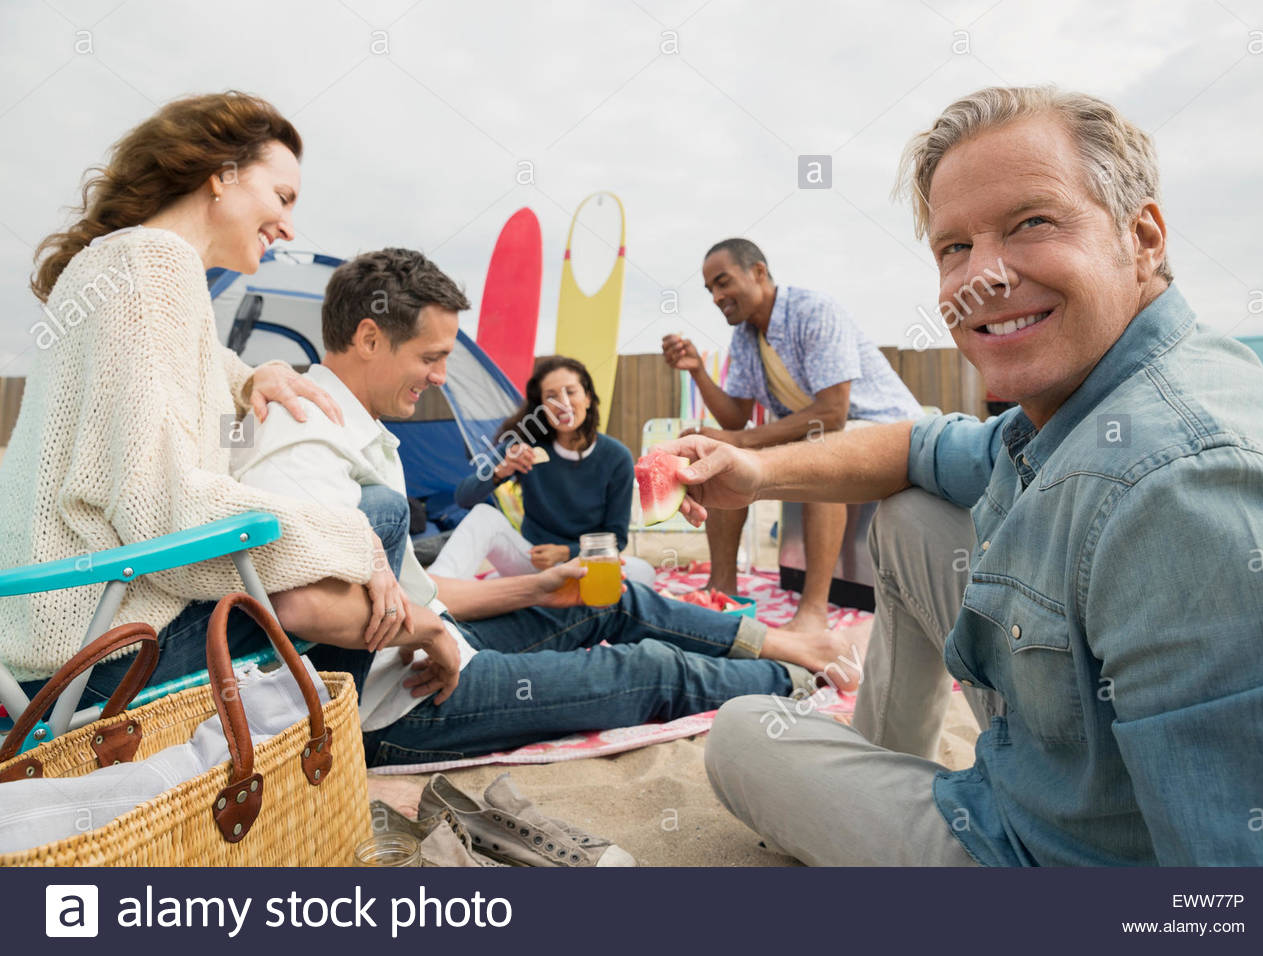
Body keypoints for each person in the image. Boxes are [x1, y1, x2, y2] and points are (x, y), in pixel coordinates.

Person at [664, 86, 1263, 865]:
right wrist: (752, 469)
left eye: (1032, 223)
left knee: (741, 736)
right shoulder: (1084, 402)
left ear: (1143, 236)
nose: (982, 279)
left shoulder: (1187, 495)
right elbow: (919, 447)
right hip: (1058, 756)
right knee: (910, 511)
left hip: (1039, 853)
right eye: (954, 248)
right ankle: (888, 749)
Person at [230, 247, 872, 764]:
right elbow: (298, 603)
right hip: (397, 702)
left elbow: (423, 592)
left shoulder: (355, 422)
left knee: (607, 598)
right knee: (647, 670)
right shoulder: (305, 429)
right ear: (369, 337)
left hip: (429, 650)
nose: (441, 377)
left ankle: (783, 644)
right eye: (431, 357)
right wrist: (429, 631)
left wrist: (541, 584)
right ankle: (797, 683)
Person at [0, 92, 427, 707]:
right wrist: (357, 544)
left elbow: (168, 374)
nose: (287, 225)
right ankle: (333, 756)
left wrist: (251, 378)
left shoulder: (115, 266)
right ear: (220, 178)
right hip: (96, 659)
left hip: (32, 643)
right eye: (282, 197)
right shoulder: (155, 268)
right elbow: (165, 517)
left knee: (342, 535)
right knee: (378, 512)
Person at [662, 239, 919, 632]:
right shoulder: (746, 337)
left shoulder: (813, 310)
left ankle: (813, 612)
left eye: (723, 282)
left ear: (759, 273)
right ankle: (722, 588)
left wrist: (742, 442)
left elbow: (832, 413)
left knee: (815, 452)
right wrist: (697, 370)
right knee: (721, 462)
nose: (716, 297)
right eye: (710, 289)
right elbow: (736, 416)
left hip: (886, 429)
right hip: (827, 433)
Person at [435, 355, 656, 587]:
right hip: (532, 561)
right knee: (483, 515)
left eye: (570, 392)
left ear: (588, 398)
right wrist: (503, 469)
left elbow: (616, 539)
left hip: (586, 563)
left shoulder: (617, 456)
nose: (562, 403)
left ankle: (522, 590)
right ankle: (436, 594)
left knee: (644, 573)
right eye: (551, 396)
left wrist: (564, 552)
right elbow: (463, 497)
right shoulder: (522, 447)